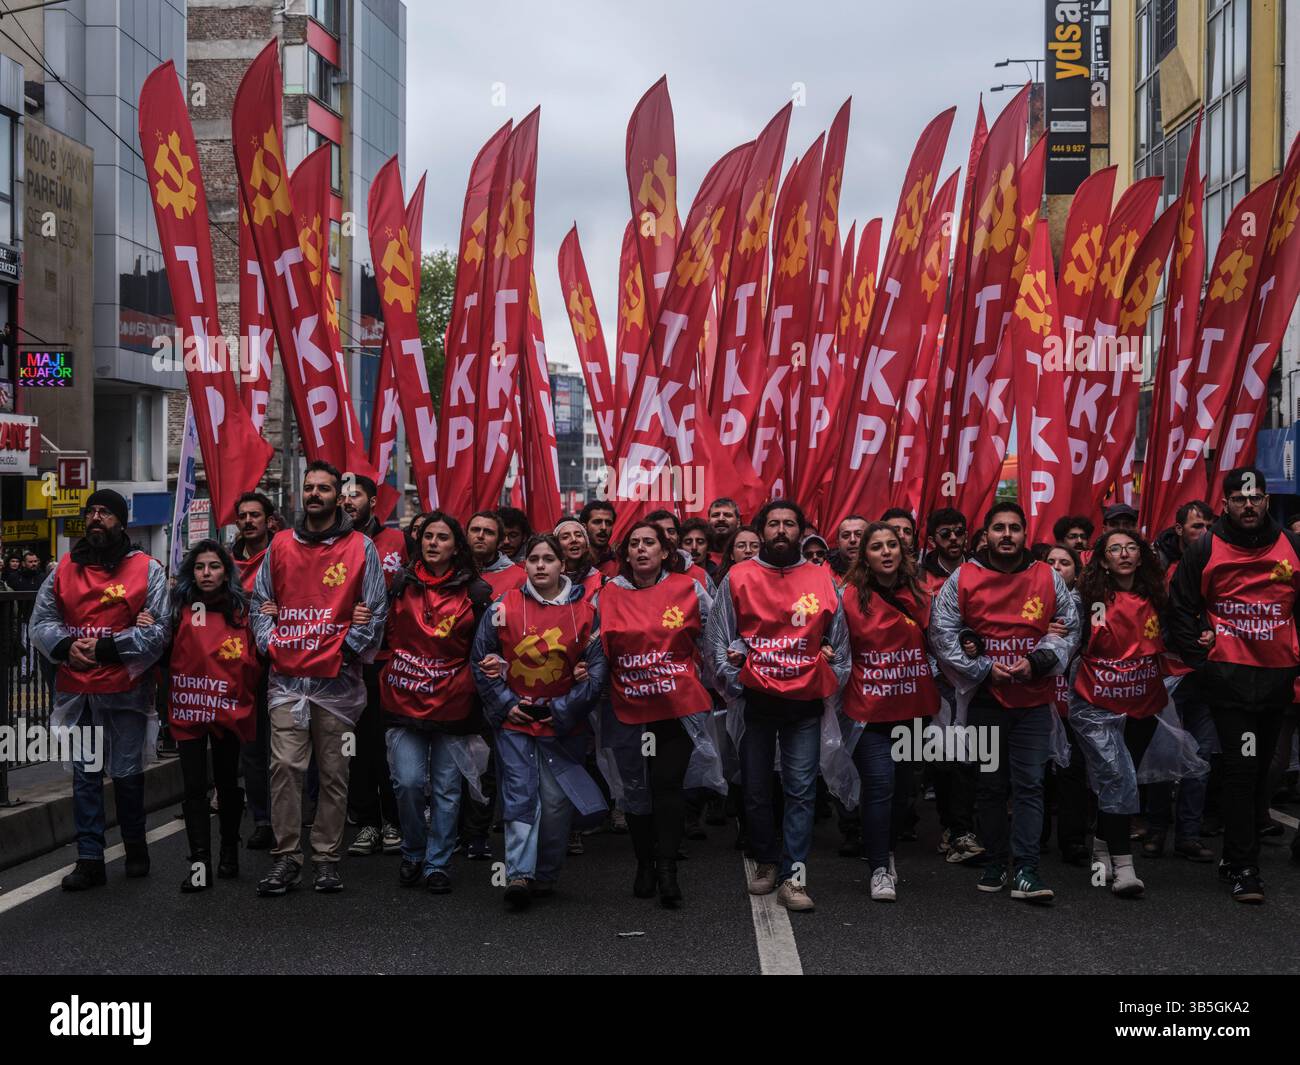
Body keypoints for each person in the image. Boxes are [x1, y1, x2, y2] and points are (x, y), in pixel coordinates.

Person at [250, 461, 388, 896]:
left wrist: (343, 651)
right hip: (288, 682)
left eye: (324, 488)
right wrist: (272, 645)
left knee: (333, 772)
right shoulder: (278, 546)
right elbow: (260, 604)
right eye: (308, 487)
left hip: (338, 685)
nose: (314, 494)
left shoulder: (361, 547)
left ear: (338, 496)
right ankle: (287, 857)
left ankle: (326, 858)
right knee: (285, 767)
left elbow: (375, 610)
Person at [930, 501, 1080, 903]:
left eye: (1015, 527)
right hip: (986, 701)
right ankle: (997, 862)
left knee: (1031, 785)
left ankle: (1027, 869)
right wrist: (983, 669)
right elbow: (942, 633)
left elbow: (1070, 629)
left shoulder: (1047, 576)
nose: (1007, 535)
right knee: (991, 787)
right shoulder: (964, 576)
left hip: (1033, 700)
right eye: (999, 528)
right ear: (987, 534)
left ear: (1025, 533)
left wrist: (1038, 661)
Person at [706, 499, 850, 913]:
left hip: (804, 705)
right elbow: (718, 640)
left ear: (801, 531)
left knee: (801, 789)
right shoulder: (738, 576)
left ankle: (794, 875)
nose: (781, 531)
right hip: (757, 702)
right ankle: (767, 859)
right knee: (754, 788)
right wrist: (738, 681)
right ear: (761, 530)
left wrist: (828, 680)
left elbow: (839, 644)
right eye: (773, 524)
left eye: (790, 524)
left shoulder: (822, 578)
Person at [1168, 466, 1300, 903]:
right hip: (1229, 686)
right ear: (1225, 502)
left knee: (1262, 771)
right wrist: (1203, 663)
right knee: (1243, 771)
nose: (1249, 505)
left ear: (1266, 500)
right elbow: (1182, 608)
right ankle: (1245, 867)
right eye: (1240, 498)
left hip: (1277, 683)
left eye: (1256, 497)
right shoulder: (1205, 548)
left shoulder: (1292, 548)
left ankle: (1234, 856)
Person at [29, 489, 169, 891]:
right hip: (78, 690)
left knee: (127, 776)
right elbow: (42, 621)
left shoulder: (147, 569)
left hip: (125, 690)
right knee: (85, 777)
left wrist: (107, 647)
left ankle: (135, 845)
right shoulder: (64, 568)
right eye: (90, 512)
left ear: (121, 522)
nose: (95, 518)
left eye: (105, 512)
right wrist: (66, 646)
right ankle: (89, 858)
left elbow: (158, 631)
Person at [472, 534, 608, 908]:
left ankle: (546, 873)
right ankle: (518, 874)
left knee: (555, 803)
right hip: (515, 720)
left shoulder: (588, 612)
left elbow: (597, 673)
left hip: (563, 725)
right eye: (533, 559)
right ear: (525, 564)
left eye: (549, 559)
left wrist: (562, 710)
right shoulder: (502, 606)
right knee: (519, 795)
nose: (541, 565)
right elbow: (480, 659)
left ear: (562, 564)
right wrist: (504, 704)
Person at [597, 520, 716, 905]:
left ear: (666, 552)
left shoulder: (689, 588)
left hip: (676, 706)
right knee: (636, 789)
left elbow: (714, 636)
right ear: (626, 553)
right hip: (628, 706)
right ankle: (643, 862)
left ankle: (667, 867)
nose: (642, 549)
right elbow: (593, 645)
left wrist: (724, 671)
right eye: (634, 544)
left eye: (650, 543)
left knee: (667, 784)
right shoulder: (608, 593)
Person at [381, 511, 494, 892]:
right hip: (404, 699)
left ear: (455, 546)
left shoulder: (477, 593)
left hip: (454, 704)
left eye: (442, 537)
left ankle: (437, 863)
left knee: (447, 789)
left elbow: (484, 648)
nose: (433, 543)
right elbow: (384, 632)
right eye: (428, 536)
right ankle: (413, 850)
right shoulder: (399, 585)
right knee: (408, 782)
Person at [1069, 530, 1182, 898]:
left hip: (1143, 704)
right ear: (1102, 559)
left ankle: (1102, 846)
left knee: (1120, 778)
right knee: (1117, 778)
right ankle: (1124, 866)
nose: (1124, 554)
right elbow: (1068, 637)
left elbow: (1175, 637)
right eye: (1115, 549)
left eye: (1131, 547)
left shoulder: (1156, 597)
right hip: (1097, 704)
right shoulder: (1087, 599)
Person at [838, 522, 939, 901]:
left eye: (891, 545)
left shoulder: (921, 593)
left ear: (902, 551)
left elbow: (943, 638)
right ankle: (879, 866)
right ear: (865, 555)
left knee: (902, 792)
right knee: (879, 786)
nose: (885, 552)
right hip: (869, 710)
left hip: (912, 707)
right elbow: (833, 640)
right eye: (876, 546)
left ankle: (888, 851)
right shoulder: (848, 597)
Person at [164, 540, 261, 892]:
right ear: (192, 571)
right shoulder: (176, 607)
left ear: (226, 571)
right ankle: (200, 863)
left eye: (214, 566)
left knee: (226, 781)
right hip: (189, 708)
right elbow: (161, 651)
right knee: (193, 787)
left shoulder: (243, 609)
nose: (207, 573)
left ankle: (229, 850)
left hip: (227, 709)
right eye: (200, 567)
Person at [1145, 499, 1217, 861]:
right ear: (1179, 530)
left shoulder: (1220, 559)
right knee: (1165, 753)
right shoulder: (1157, 566)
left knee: (1201, 756)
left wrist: (1212, 633)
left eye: (1207, 526)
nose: (1203, 533)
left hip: (1205, 675)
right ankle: (1156, 831)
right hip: (1168, 674)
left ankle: (1188, 834)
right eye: (1195, 527)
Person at [343, 474, 407, 857]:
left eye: (356, 495)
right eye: (343, 496)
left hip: (391, 662)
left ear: (372, 500)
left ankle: (394, 821)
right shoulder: (335, 545)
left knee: (391, 747)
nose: (348, 501)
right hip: (349, 663)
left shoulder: (398, 542)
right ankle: (367, 821)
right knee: (356, 747)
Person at [1030, 542, 1090, 865]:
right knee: (1037, 770)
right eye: (1050, 561)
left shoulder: (1085, 605)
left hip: (1073, 697)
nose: (1056, 567)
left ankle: (1073, 841)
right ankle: (1035, 836)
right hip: (1038, 694)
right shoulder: (1030, 600)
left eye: (1064, 562)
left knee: (1072, 770)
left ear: (1076, 572)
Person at [229, 491, 278, 851]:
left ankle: (291, 813)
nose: (248, 521)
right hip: (235, 669)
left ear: (269, 522)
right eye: (243, 516)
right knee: (252, 749)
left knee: (285, 749)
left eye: (255, 515)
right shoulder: (224, 564)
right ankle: (262, 819)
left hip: (278, 666)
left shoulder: (283, 557)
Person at [468, 510, 526, 598]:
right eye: (475, 530)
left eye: (488, 532)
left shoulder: (520, 578)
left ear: (500, 541)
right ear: (466, 535)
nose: (480, 535)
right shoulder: (452, 574)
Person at [920, 508, 967, 597]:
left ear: (966, 536)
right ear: (932, 541)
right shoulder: (921, 578)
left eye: (959, 532)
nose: (953, 538)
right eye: (945, 533)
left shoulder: (981, 570)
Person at [555, 518, 603, 601]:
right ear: (556, 546)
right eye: (565, 537)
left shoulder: (601, 581)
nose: (574, 540)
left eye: (578, 535)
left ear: (586, 543)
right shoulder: (549, 579)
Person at [580, 500, 619, 576]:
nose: (604, 527)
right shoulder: (572, 563)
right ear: (584, 527)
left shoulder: (620, 566)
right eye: (597, 522)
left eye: (608, 523)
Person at [707, 498, 741, 565]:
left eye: (727, 515)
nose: (721, 519)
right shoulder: (698, 554)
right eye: (715, 515)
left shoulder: (748, 553)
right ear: (708, 521)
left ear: (738, 522)